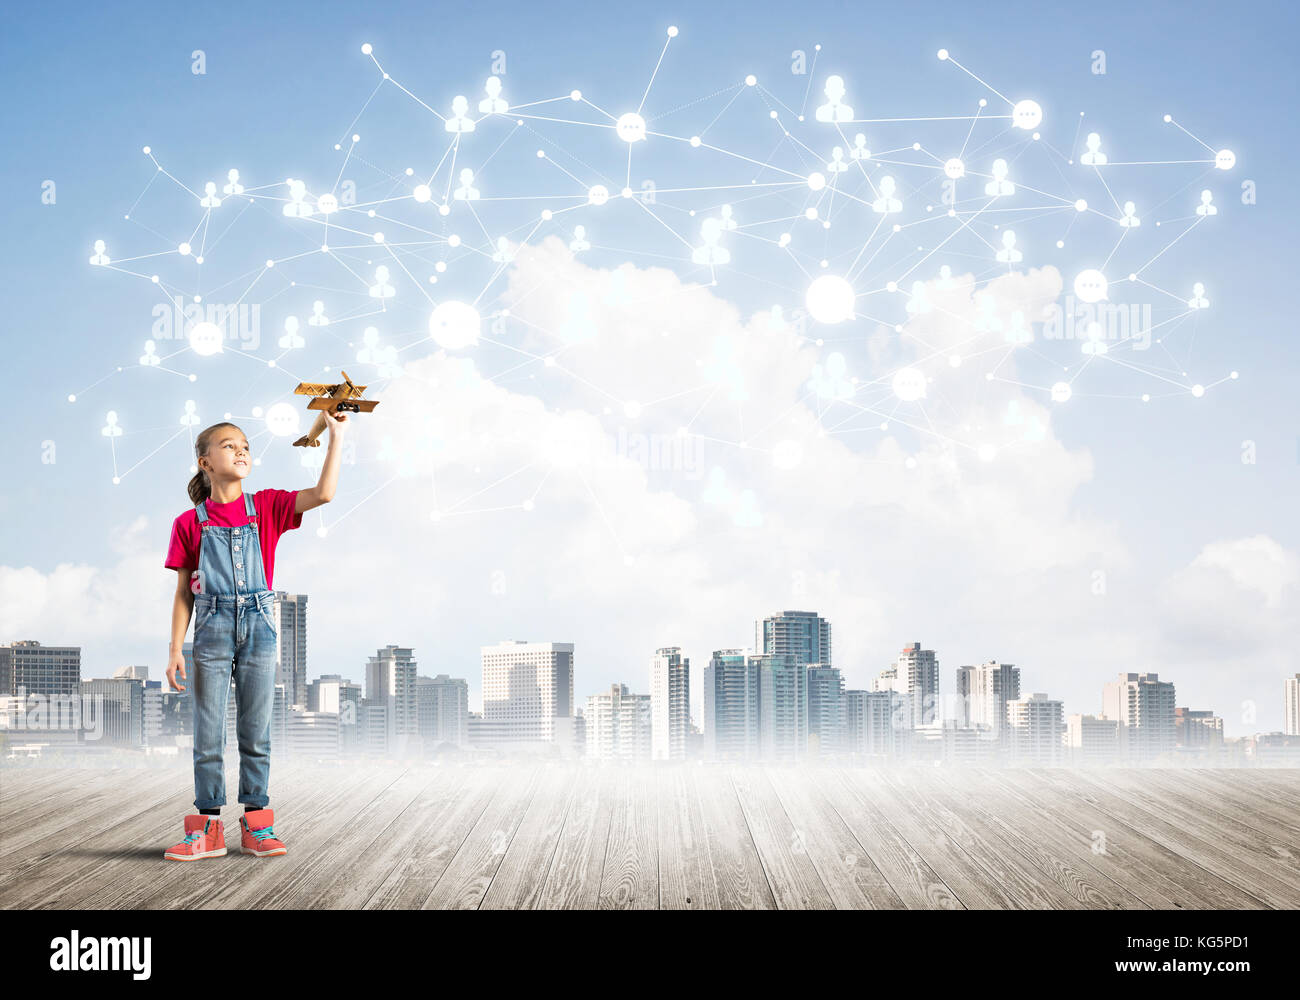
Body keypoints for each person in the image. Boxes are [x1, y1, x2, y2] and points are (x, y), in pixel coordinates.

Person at [162, 411, 347, 860]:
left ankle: (257, 825)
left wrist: (336, 435)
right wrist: (174, 649)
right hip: (211, 628)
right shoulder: (189, 523)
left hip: (260, 627)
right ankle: (206, 829)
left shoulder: (266, 507)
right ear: (205, 462)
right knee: (208, 732)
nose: (241, 449)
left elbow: (323, 493)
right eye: (228, 444)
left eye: (244, 444)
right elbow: (185, 591)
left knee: (256, 732)